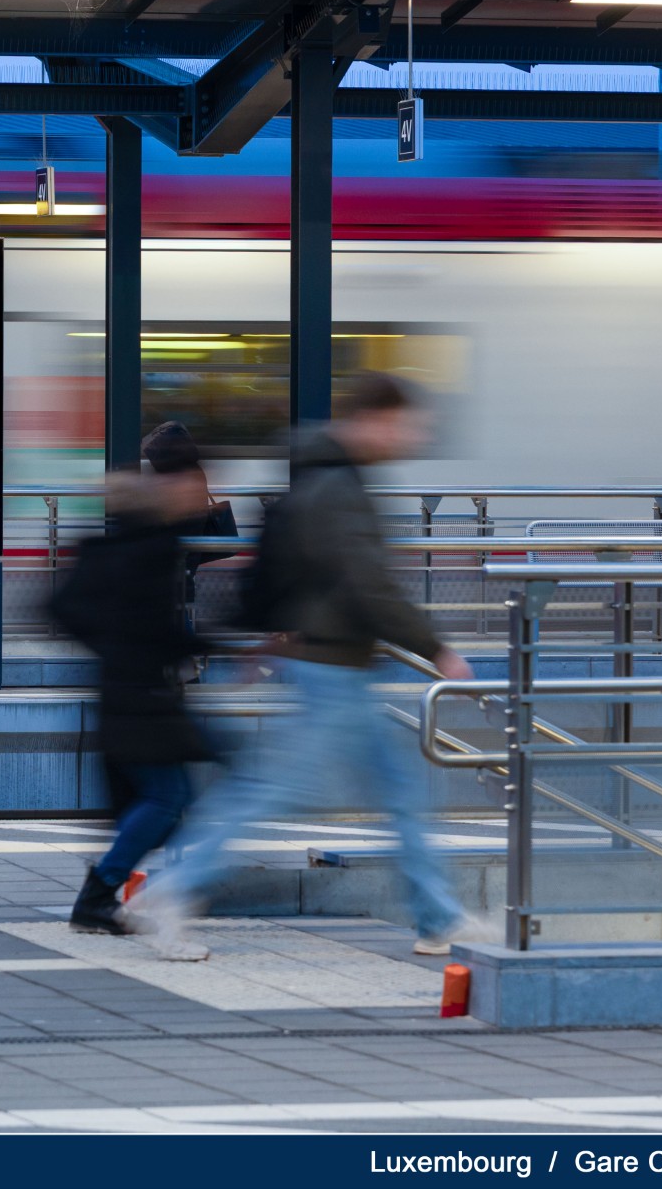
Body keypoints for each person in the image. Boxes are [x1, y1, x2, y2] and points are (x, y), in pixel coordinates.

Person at [139, 373, 476, 958]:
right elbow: (365, 581)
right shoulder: (340, 488)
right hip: (331, 666)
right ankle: (172, 889)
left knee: (397, 790)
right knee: (273, 789)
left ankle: (439, 916)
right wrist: (435, 648)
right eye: (405, 424)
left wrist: (268, 643)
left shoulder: (319, 477)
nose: (411, 436)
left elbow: (297, 573)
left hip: (334, 660)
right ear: (375, 420)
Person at [52, 424, 216, 946]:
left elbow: (64, 608)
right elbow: (153, 626)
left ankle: (116, 886)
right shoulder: (149, 548)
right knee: (169, 798)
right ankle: (103, 890)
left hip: (129, 689)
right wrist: (200, 646)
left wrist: (111, 646)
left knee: (168, 797)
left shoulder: (118, 545)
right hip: (142, 694)